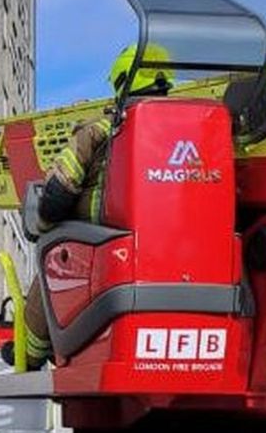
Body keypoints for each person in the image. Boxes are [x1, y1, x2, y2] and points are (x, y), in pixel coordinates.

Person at [22, 44, 174, 369]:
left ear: (121, 81)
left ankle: (31, 353)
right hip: (171, 245)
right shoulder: (185, 133)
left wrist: (45, 225)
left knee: (49, 254)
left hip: (102, 239)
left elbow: (57, 196)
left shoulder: (100, 130)